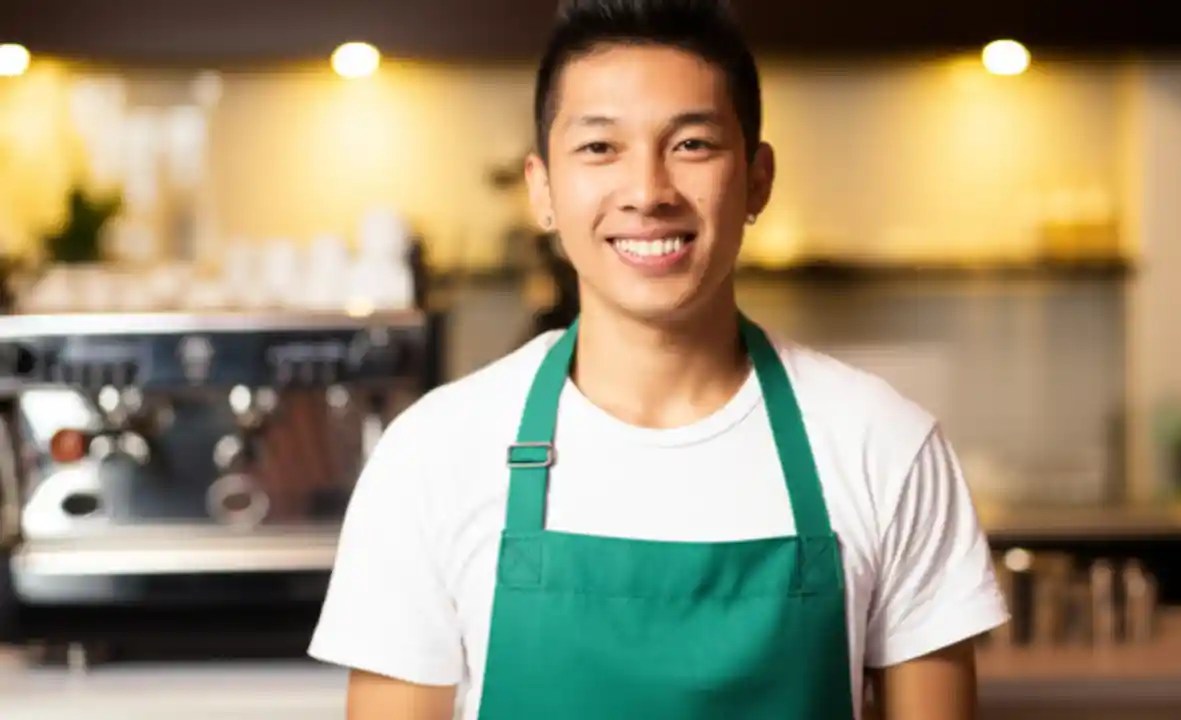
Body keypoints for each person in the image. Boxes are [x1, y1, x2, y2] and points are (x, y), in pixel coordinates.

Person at [307, 1, 1009, 718]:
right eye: (599, 148)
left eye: (693, 145)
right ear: (543, 189)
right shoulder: (435, 454)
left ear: (758, 180)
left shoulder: (884, 446)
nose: (647, 193)